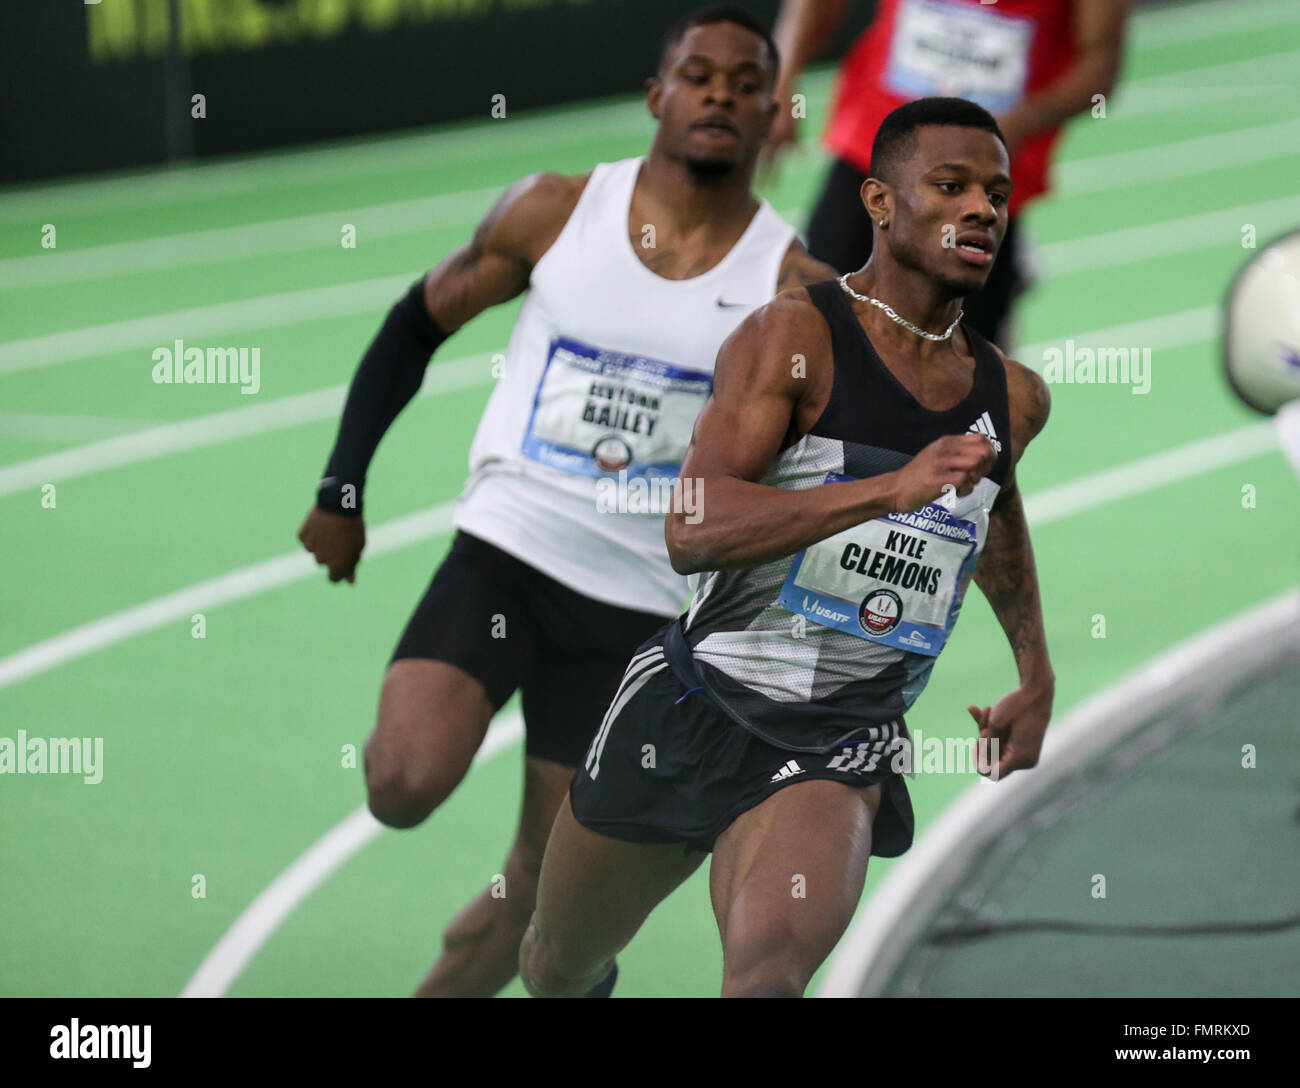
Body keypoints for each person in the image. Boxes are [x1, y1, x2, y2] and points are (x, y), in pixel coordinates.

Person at [296, 4, 835, 997]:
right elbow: (412, 324)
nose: (721, 92)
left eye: (747, 82)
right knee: (401, 780)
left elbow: (816, 477)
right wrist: (342, 484)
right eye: (698, 74)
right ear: (655, 96)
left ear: (776, 113)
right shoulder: (553, 211)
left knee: (542, 896)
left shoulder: (790, 290)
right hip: (510, 546)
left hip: (637, 607)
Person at [520, 97, 1055, 998]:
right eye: (952, 186)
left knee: (767, 979)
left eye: (997, 195)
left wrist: (1034, 671)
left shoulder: (1014, 395)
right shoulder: (791, 340)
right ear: (880, 203)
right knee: (555, 964)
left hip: (837, 743)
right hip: (693, 705)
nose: (983, 210)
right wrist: (889, 488)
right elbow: (693, 528)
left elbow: (994, 513)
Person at [765, 0, 1128, 348]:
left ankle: (1004, 271)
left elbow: (1100, 66)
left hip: (980, 181)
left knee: (959, 371)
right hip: (873, 149)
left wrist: (1011, 126)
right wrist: (781, 77)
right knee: (814, 322)